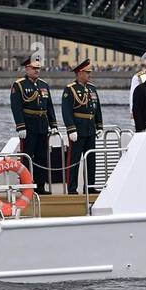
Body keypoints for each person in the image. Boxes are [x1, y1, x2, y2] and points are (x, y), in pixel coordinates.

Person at [9, 55, 58, 193]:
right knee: (27, 156)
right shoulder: (19, 85)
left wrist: (53, 124)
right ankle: (26, 185)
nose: (37, 71)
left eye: (38, 68)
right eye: (34, 68)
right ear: (27, 69)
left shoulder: (44, 85)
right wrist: (20, 126)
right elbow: (16, 107)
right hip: (28, 126)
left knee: (42, 156)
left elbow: (49, 106)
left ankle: (40, 186)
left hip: (42, 125)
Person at [61, 58, 104, 194]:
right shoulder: (70, 89)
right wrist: (71, 129)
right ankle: (72, 188)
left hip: (90, 129)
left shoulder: (92, 89)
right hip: (77, 130)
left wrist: (99, 126)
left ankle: (90, 187)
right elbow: (66, 111)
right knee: (74, 161)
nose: (89, 75)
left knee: (91, 160)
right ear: (79, 73)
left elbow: (97, 109)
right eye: (87, 72)